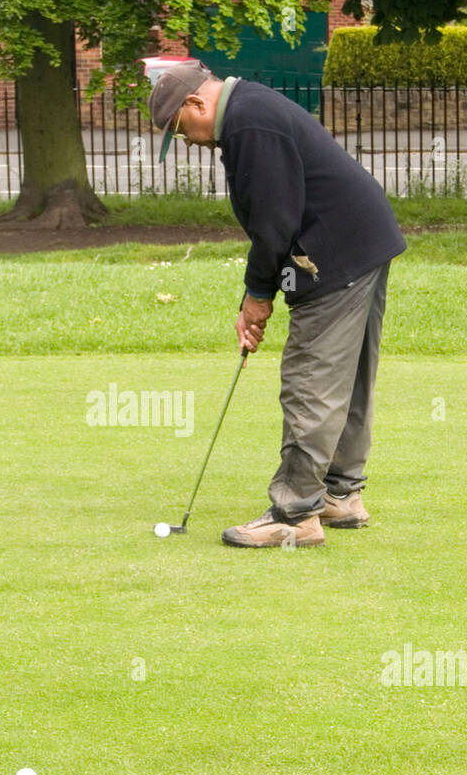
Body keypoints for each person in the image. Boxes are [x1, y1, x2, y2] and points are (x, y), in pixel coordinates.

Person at [148, 63, 406, 547]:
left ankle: (295, 513)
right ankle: (341, 495)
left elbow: (274, 222)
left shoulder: (248, 123)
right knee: (346, 376)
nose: (187, 141)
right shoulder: (247, 111)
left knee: (312, 378)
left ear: (197, 104)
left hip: (338, 251)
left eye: (182, 130)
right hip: (361, 241)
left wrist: (257, 296)